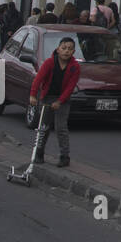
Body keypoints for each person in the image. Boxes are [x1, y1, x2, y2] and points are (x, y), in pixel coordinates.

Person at [29, 36, 80, 167]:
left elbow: (70, 87)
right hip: (47, 97)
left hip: (63, 99)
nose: (66, 51)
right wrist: (33, 95)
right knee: (43, 127)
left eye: (69, 49)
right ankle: (39, 153)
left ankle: (64, 156)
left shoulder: (75, 67)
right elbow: (38, 80)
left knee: (61, 128)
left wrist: (60, 101)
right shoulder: (49, 63)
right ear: (58, 49)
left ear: (73, 51)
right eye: (63, 48)